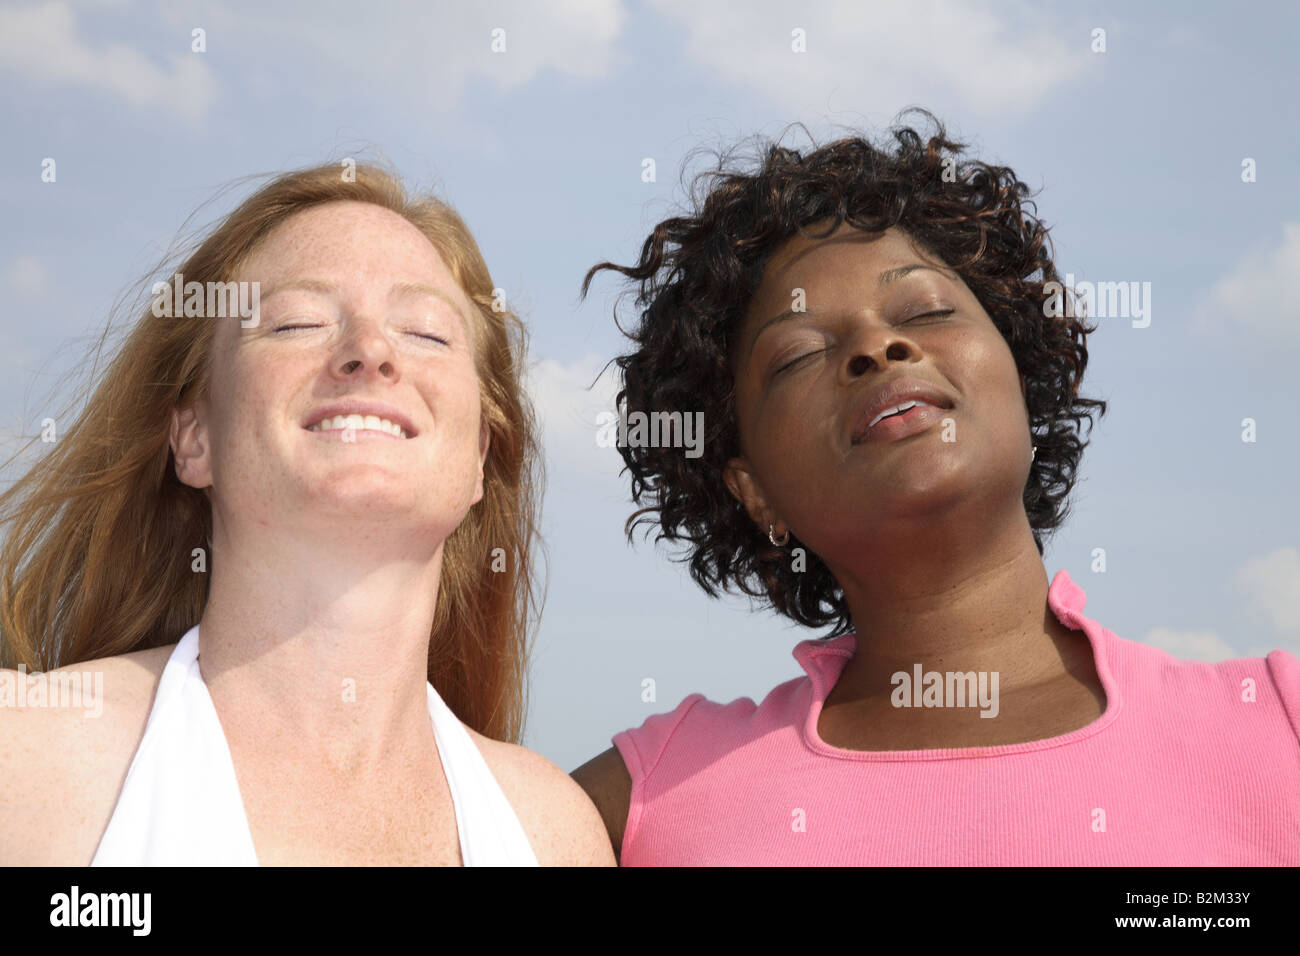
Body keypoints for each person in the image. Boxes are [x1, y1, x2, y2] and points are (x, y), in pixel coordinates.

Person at [571, 112, 1300, 865]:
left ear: (1018, 370)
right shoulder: (648, 796)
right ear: (756, 492)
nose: (877, 347)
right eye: (795, 355)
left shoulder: (1279, 724)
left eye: (925, 311)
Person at [0, 161, 614, 866]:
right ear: (194, 437)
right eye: (297, 322)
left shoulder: (553, 833)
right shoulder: (25, 762)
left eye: (425, 332)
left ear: (479, 457)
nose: (371, 353)